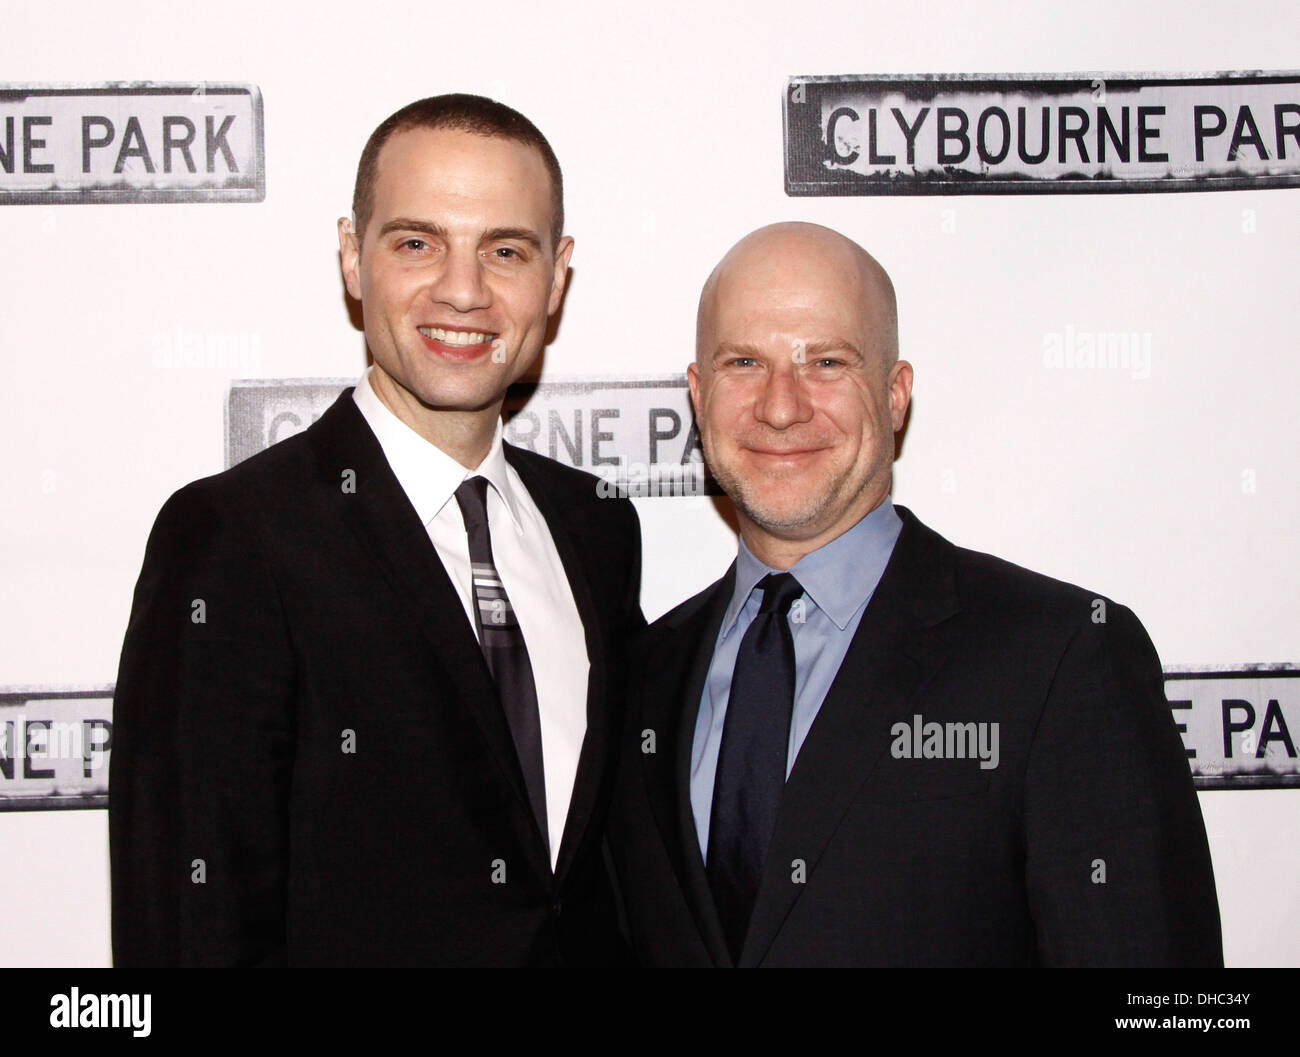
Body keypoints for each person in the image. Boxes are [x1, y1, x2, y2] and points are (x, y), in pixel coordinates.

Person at [109, 94, 645, 966]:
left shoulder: (596, 529)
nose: (463, 290)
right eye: (416, 243)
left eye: (506, 250)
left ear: (557, 277)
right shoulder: (233, 540)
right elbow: (186, 922)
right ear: (353, 260)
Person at [607, 221, 1222, 967]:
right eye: (744, 362)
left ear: (895, 395)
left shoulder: (1061, 657)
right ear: (699, 397)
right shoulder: (641, 675)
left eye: (826, 361)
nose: (780, 406)